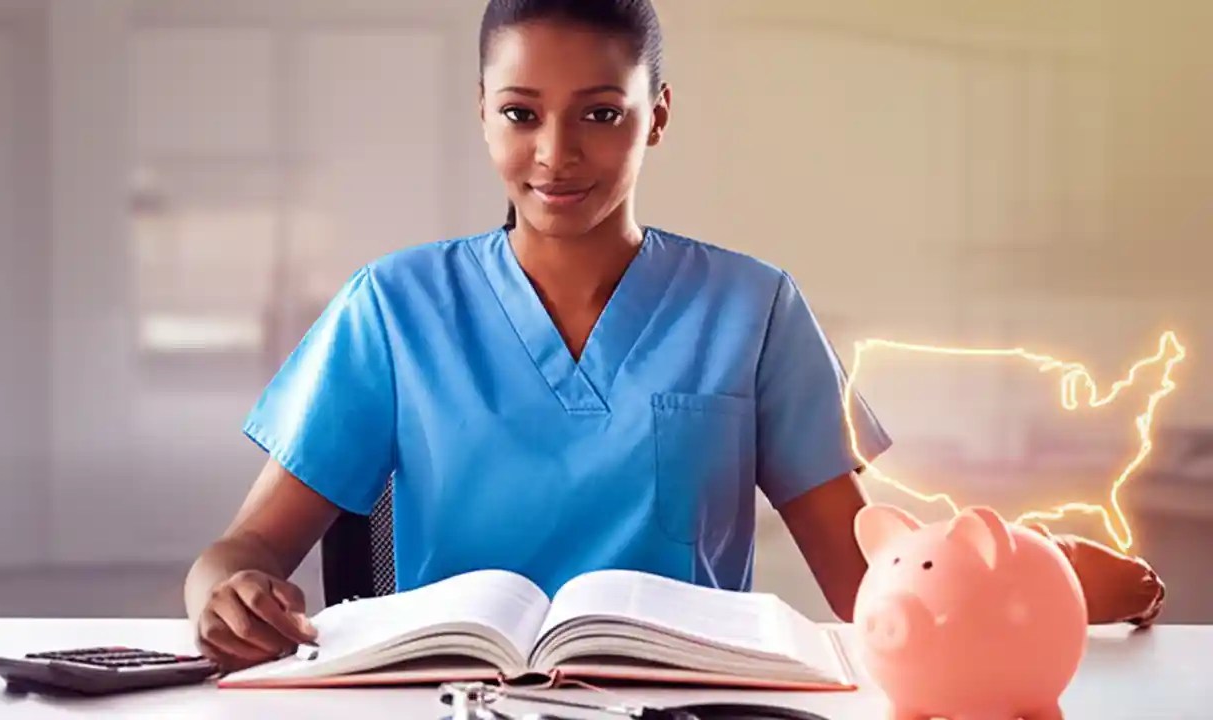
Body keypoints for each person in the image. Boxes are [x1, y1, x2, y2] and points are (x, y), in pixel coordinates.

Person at [184, 0, 1166, 671]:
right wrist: (225, 595)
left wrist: (1038, 581)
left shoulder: (754, 308)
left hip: (688, 709)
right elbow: (245, 548)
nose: (556, 154)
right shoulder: (391, 308)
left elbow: (866, 583)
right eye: (520, 114)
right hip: (454, 702)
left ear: (656, 117)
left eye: (600, 114)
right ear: (482, 118)